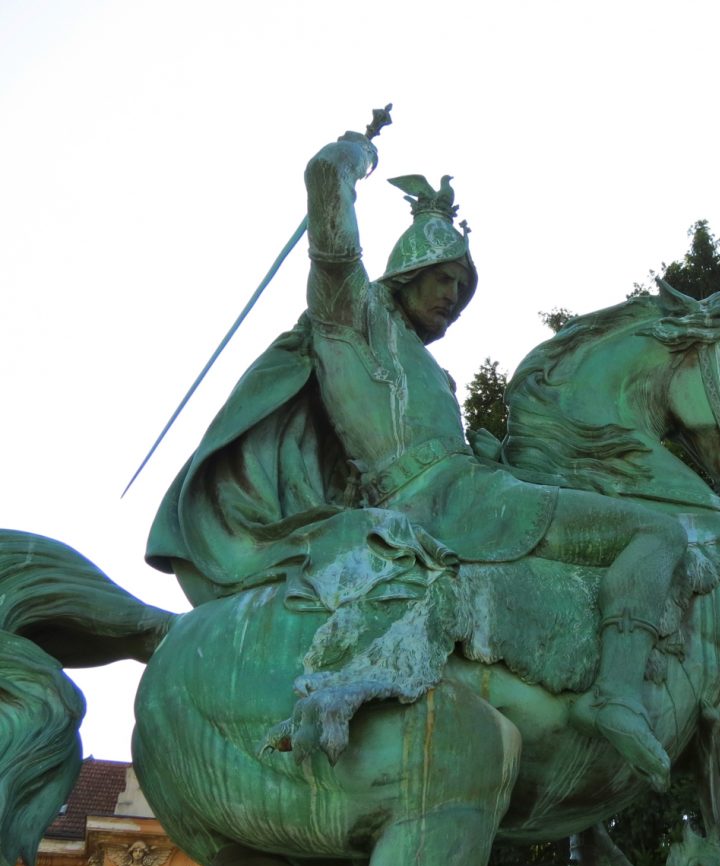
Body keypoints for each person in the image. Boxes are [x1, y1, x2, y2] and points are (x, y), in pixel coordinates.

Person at [156, 129, 689, 790]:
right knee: (656, 531)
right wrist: (353, 157)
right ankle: (617, 693)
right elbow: (330, 215)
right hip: (447, 503)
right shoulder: (350, 320)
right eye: (444, 281)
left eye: (462, 292)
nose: (453, 302)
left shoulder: (430, 370)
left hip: (467, 491)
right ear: (407, 271)